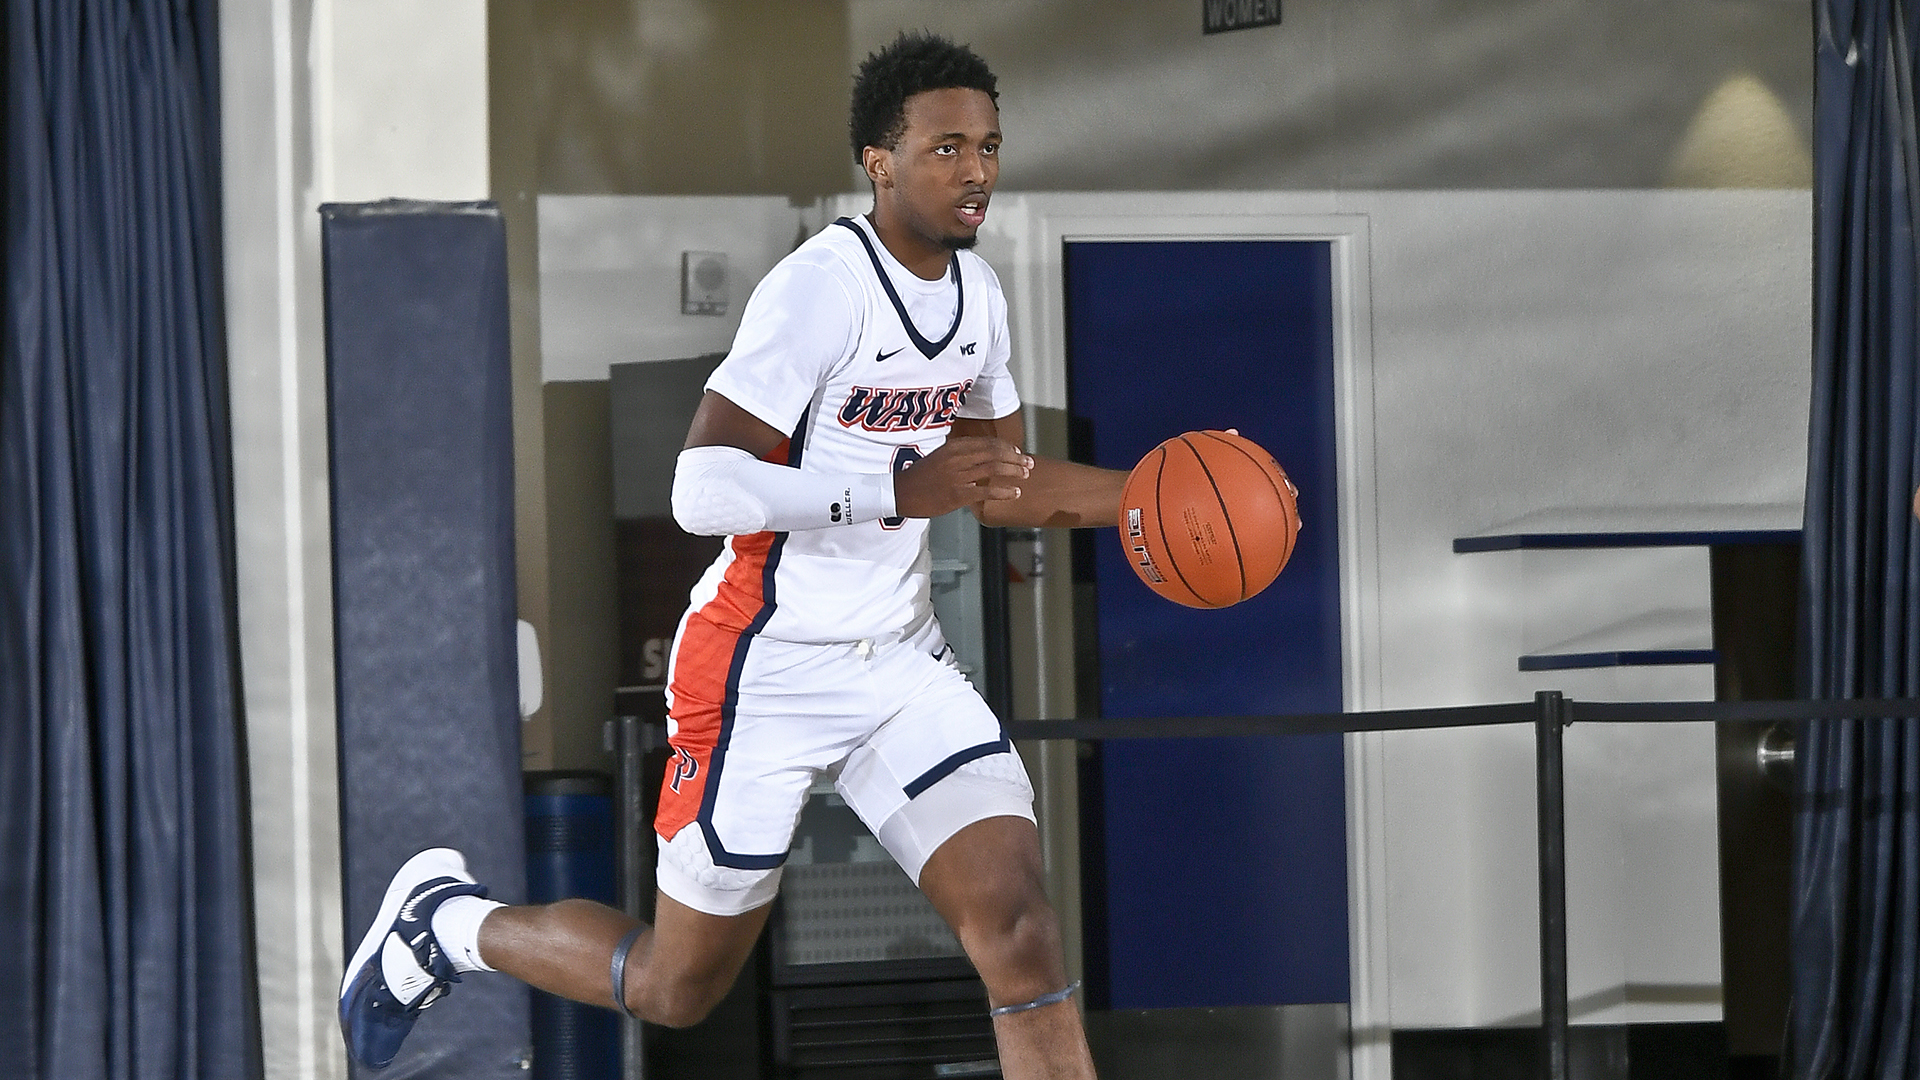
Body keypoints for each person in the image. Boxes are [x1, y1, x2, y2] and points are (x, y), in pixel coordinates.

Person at [339, 31, 1124, 1080]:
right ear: (878, 161)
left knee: (1022, 931)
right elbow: (699, 489)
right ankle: (447, 927)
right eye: (946, 147)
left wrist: (1160, 495)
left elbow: (1003, 483)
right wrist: (896, 488)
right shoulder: (820, 290)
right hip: (763, 664)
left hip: (897, 661)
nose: (975, 168)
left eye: (988, 144)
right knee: (678, 987)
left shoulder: (977, 300)